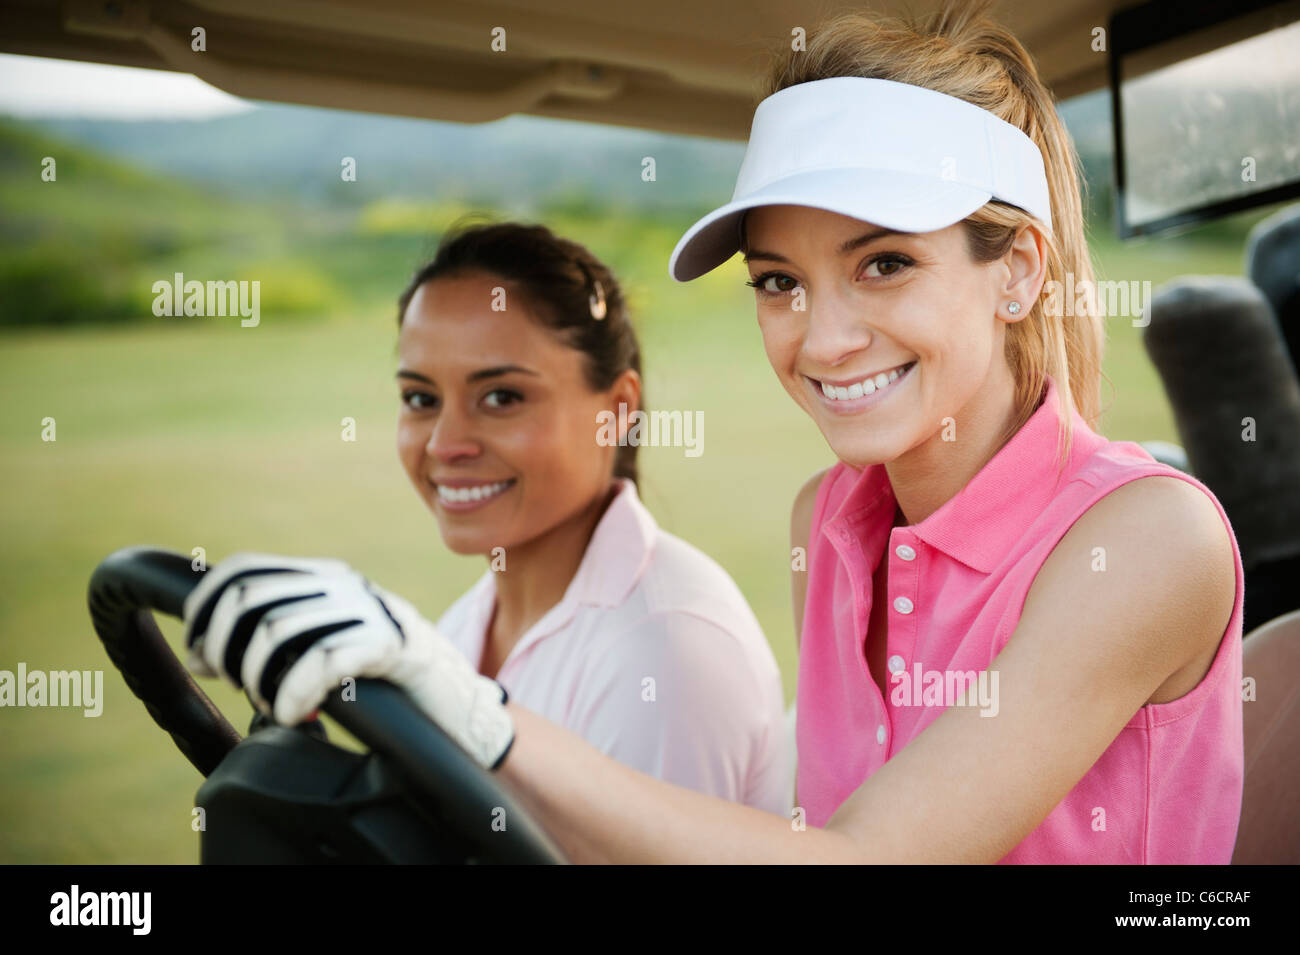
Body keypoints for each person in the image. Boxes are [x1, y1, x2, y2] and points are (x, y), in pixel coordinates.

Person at [181, 2, 1243, 863]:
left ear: (1015, 272)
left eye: (884, 264)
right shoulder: (826, 520)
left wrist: (475, 712)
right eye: (779, 282)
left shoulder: (1146, 540)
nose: (821, 339)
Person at [185, 219, 793, 817]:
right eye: (421, 399)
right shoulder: (461, 628)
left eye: (501, 397)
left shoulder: (665, 650)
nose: (446, 443)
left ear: (618, 407)